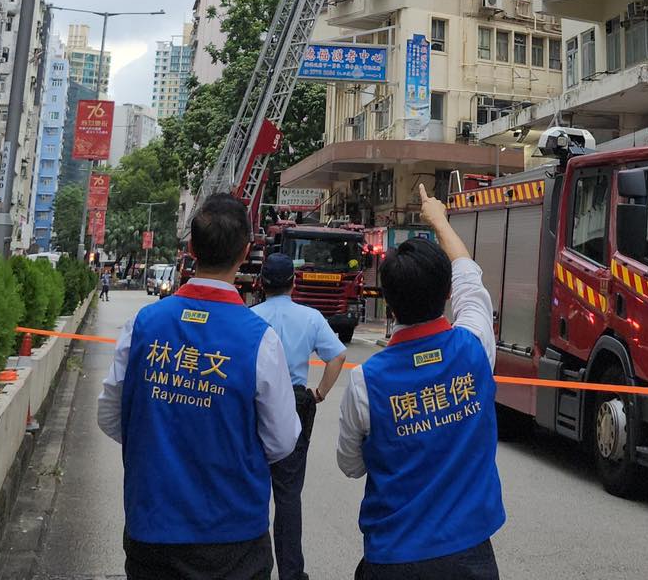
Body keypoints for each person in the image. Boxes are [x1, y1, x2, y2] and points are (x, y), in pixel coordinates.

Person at [97, 194, 300, 580]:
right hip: (233, 541)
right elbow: (282, 442)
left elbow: (111, 417)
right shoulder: (260, 340)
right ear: (246, 252)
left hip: (151, 529)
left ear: (190, 249)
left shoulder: (143, 325)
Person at [337, 184, 504, 579]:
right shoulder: (475, 348)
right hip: (470, 558)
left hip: (393, 559)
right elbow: (468, 274)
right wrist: (437, 218)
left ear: (388, 304)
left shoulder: (366, 382)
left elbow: (350, 465)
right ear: (447, 294)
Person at [254, 252, 348, 580]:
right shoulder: (310, 318)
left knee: (251, 488)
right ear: (293, 283)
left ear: (261, 283)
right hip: (295, 402)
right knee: (289, 494)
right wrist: (319, 393)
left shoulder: (250, 317)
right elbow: (337, 356)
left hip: (255, 402)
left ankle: (252, 568)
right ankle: (292, 573)